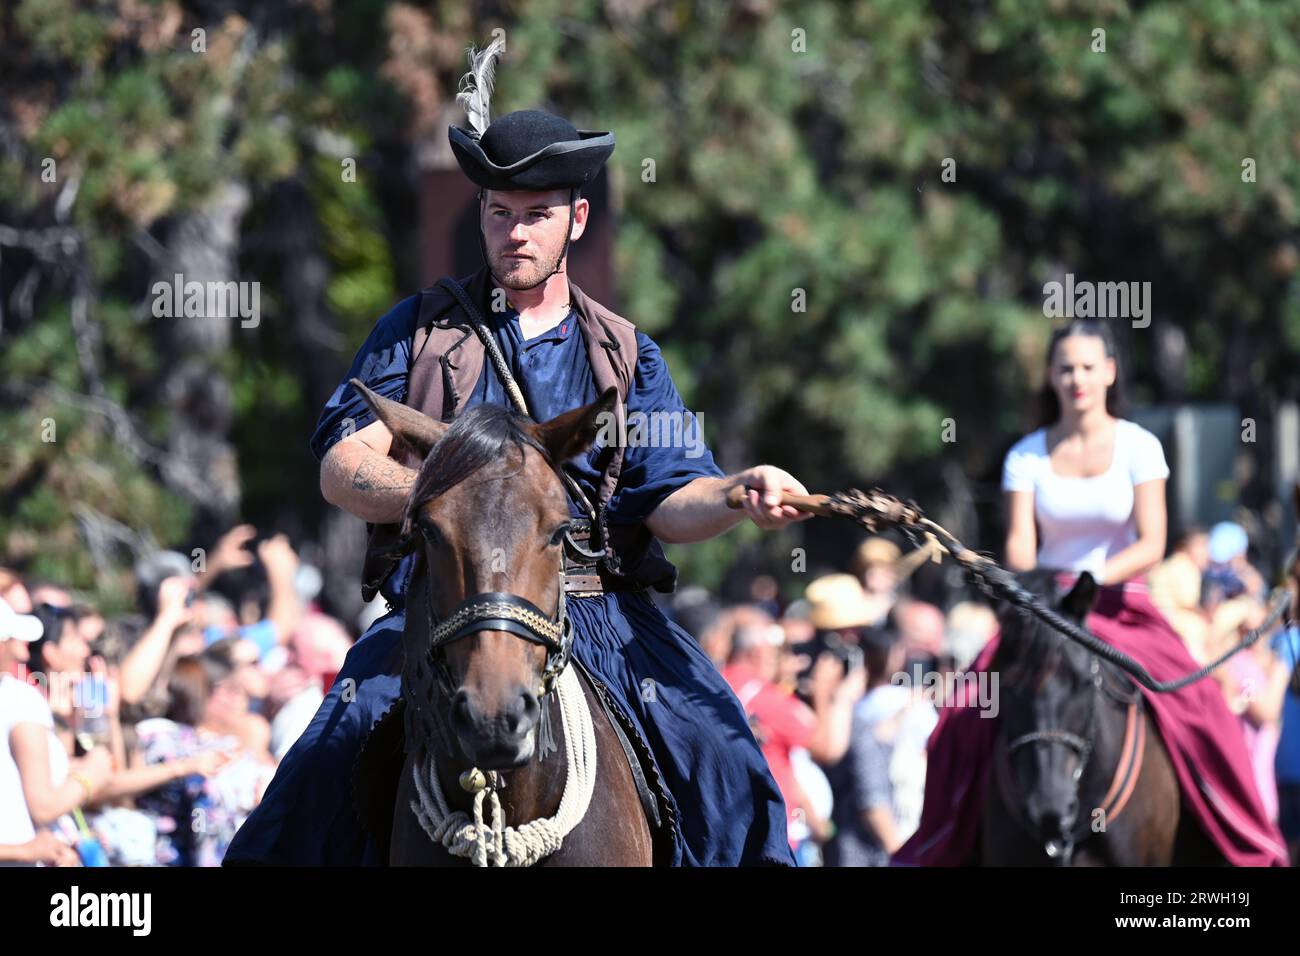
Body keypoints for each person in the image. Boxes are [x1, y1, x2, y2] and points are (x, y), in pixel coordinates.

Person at [226, 43, 812, 867]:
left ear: (576, 219)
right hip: (440, 610)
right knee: (324, 765)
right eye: (499, 211)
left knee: (720, 753)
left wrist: (737, 494)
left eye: (535, 213)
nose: (514, 231)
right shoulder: (418, 331)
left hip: (597, 612)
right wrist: (449, 499)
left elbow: (673, 497)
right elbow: (341, 465)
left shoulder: (627, 355)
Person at [895, 318, 1288, 866]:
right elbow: (1019, 546)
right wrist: (1036, 598)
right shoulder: (1026, 454)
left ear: (1109, 372)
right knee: (962, 714)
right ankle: (936, 846)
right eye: (1064, 368)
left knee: (1201, 710)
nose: (1076, 378)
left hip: (1120, 608)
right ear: (1051, 377)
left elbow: (1152, 542)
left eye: (1086, 367)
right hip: (1043, 611)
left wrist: (1090, 582)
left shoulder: (1140, 446)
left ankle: (1248, 846)